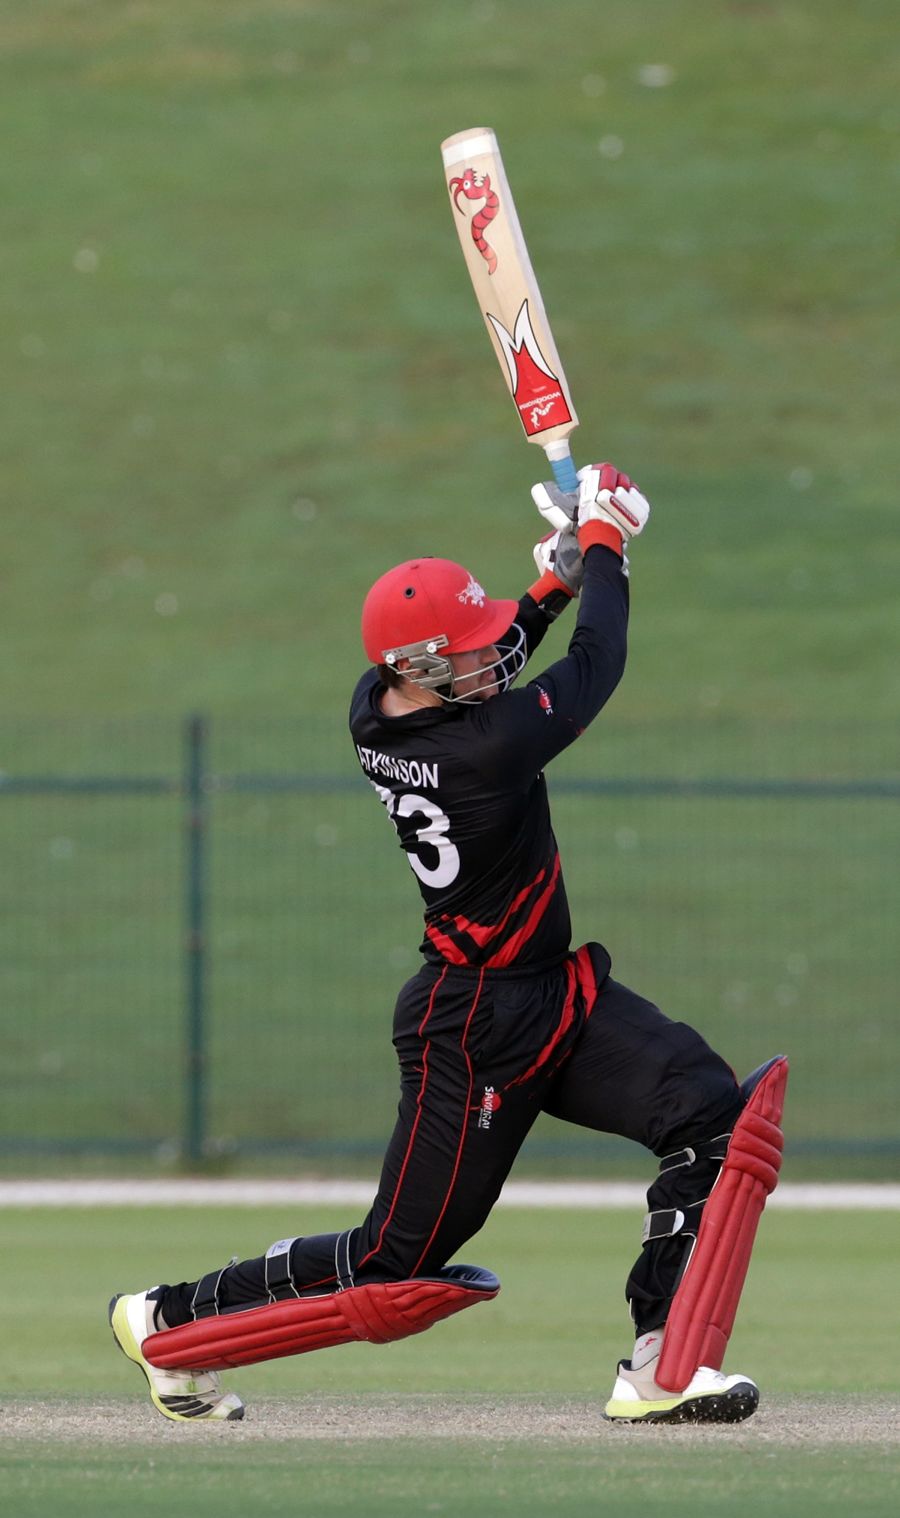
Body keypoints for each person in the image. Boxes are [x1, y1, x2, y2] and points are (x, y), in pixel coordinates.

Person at [109, 462, 784, 1425]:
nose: (490, 660)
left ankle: (662, 1361)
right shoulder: (484, 748)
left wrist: (551, 578)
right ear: (421, 669)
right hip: (473, 1025)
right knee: (399, 1256)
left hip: (556, 994)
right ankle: (165, 1321)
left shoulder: (377, 701)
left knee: (711, 1117)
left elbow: (499, 650)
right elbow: (598, 665)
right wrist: (605, 551)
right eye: (466, 654)